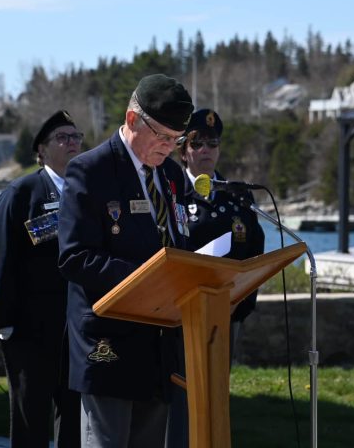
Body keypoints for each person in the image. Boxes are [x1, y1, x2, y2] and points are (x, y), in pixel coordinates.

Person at [58, 73, 194, 448]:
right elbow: (74, 257)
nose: (169, 147)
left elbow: (179, 240)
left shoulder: (169, 174)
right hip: (109, 344)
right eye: (163, 137)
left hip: (160, 345)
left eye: (176, 140)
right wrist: (148, 279)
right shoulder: (91, 169)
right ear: (132, 120)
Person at [0, 110, 83, 448]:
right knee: (30, 418)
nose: (72, 143)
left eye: (76, 137)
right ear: (41, 150)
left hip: (76, 328)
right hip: (30, 331)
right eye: (62, 138)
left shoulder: (87, 193)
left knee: (75, 417)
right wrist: (2, 319)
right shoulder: (22, 193)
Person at [166, 108, 266, 447]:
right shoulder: (171, 191)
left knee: (216, 396)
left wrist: (242, 305)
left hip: (226, 312)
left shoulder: (237, 194)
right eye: (198, 144)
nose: (206, 150)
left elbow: (254, 249)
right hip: (179, 315)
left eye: (213, 143)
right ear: (184, 150)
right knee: (182, 399)